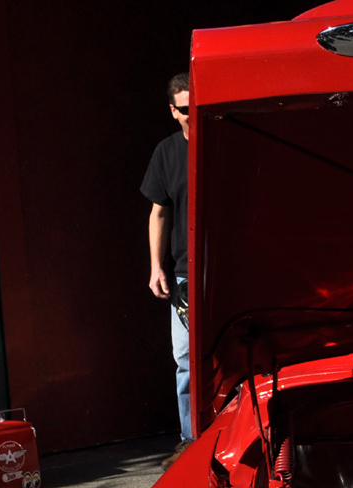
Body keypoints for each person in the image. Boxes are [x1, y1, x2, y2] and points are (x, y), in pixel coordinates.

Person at [142, 73, 193, 467]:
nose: (193, 117)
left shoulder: (222, 138)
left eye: (198, 107)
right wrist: (156, 266)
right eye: (186, 110)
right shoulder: (167, 152)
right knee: (186, 357)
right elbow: (159, 211)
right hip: (183, 272)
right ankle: (191, 439)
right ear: (173, 111)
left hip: (223, 269)